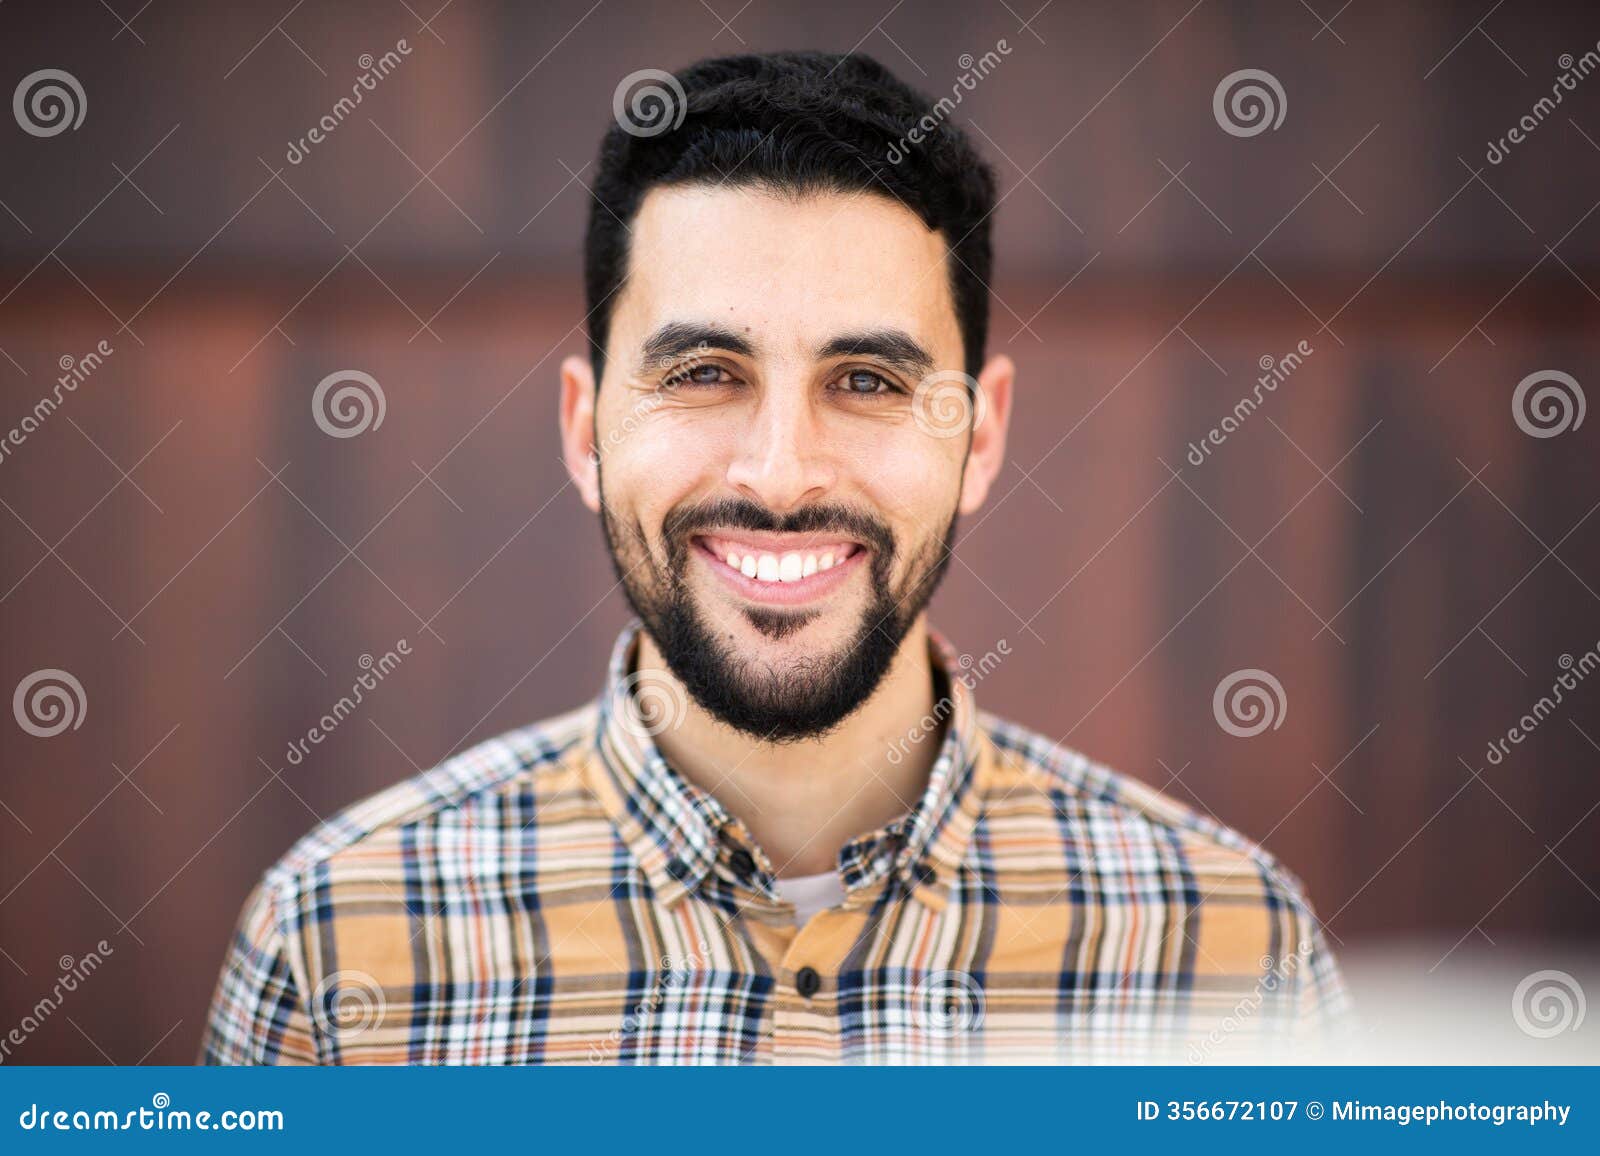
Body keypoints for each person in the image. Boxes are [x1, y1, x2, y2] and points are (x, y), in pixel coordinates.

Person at [202, 50, 1347, 1065]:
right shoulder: (336, 946)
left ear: (981, 434)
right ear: (585, 430)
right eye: (704, 373)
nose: (782, 475)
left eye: (868, 381)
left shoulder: (1230, 948)